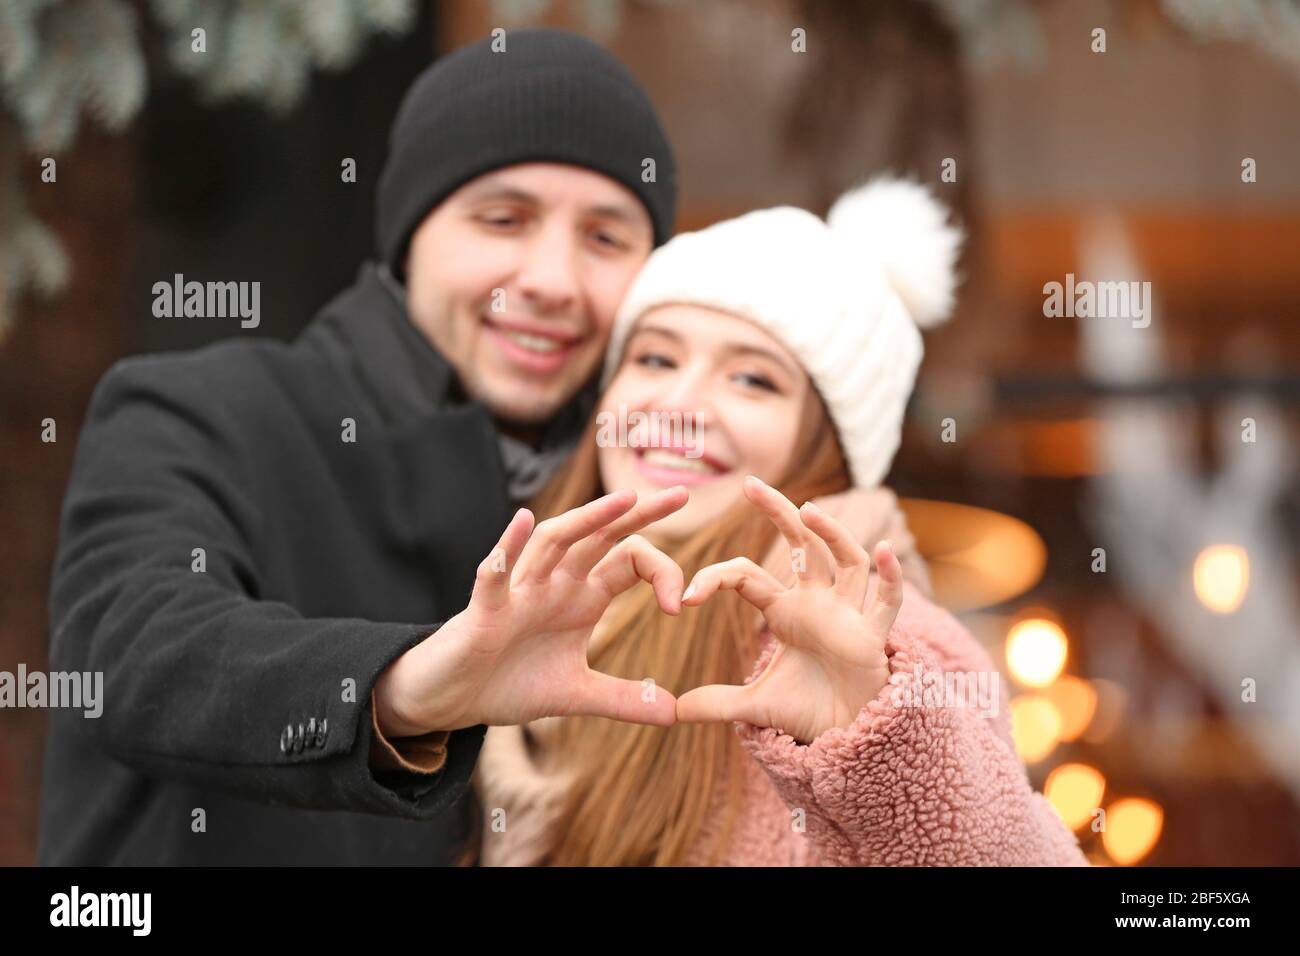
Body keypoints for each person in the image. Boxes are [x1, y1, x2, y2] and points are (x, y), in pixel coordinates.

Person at [36, 29, 684, 865]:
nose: (552, 281)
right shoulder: (203, 409)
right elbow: (133, 654)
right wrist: (399, 689)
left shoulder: (632, 488)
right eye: (503, 219)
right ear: (410, 236)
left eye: (606, 238)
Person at [395, 178, 1090, 865]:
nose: (681, 402)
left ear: (828, 445)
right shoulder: (557, 612)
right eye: (655, 356)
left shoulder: (883, 649)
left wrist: (876, 744)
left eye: (753, 379)